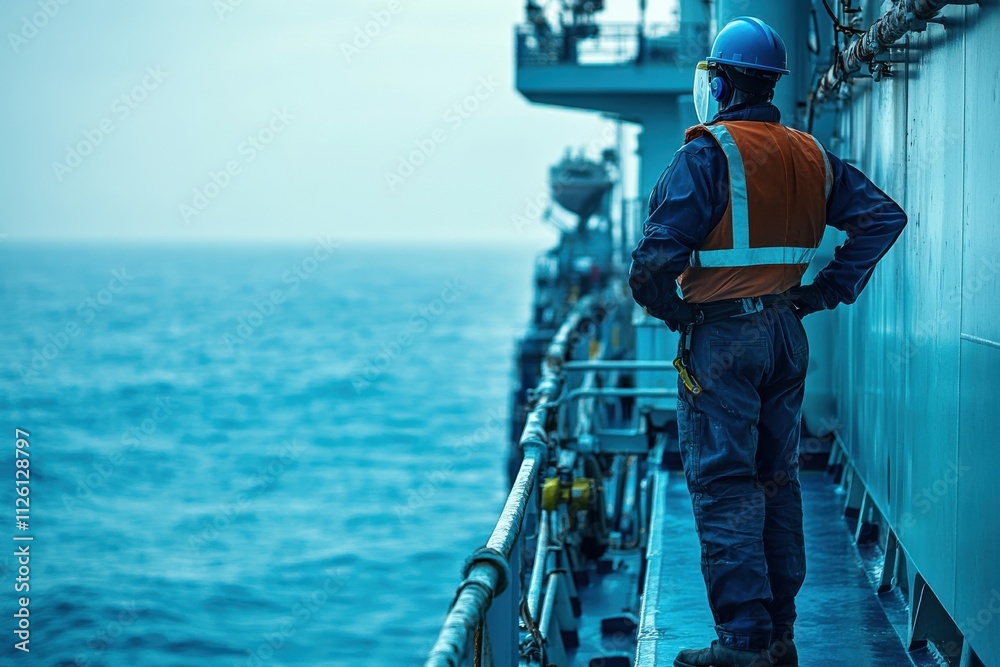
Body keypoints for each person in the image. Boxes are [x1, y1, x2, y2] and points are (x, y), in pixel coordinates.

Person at [628, 16, 907, 667]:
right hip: (785, 332)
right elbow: (881, 218)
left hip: (721, 339)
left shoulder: (707, 155)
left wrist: (678, 314)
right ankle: (779, 634)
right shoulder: (810, 155)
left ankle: (743, 642)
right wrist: (823, 291)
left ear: (719, 85)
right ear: (773, 84)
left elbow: (650, 266)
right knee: (776, 482)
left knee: (725, 484)